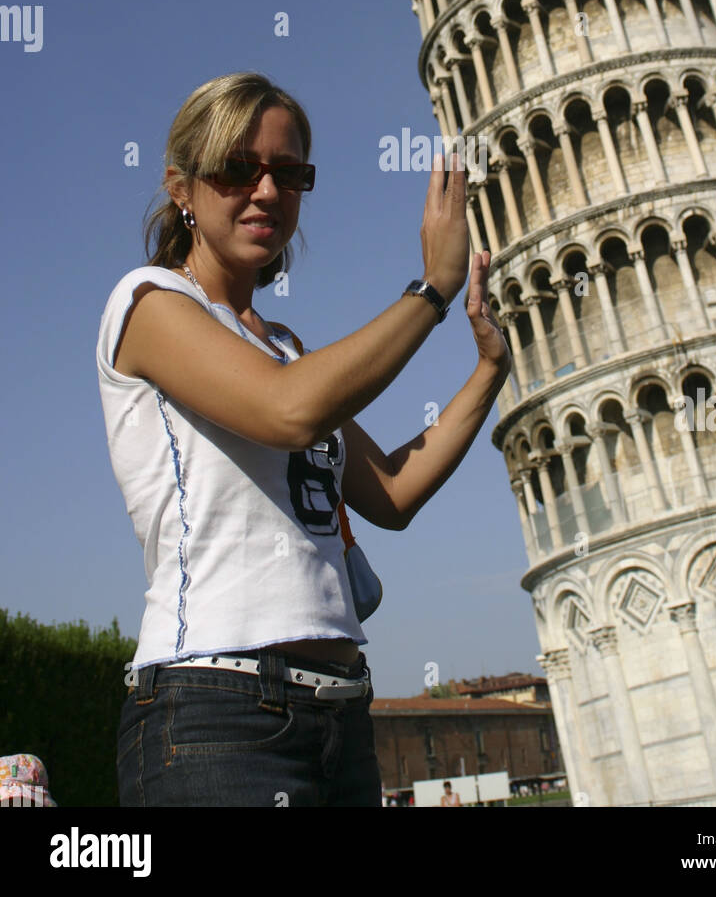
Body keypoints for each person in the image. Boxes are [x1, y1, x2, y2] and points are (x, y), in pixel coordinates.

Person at [96, 71, 511, 807]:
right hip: (215, 712)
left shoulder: (286, 348)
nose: (265, 191)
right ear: (181, 187)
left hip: (340, 714)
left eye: (289, 174)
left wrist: (488, 371)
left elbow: (391, 493)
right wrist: (432, 289)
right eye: (235, 169)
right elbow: (289, 413)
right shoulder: (147, 304)